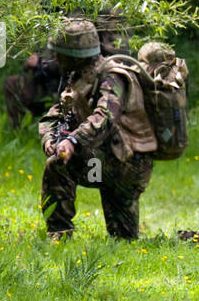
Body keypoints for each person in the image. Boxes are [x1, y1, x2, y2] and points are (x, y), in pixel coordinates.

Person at [37, 18, 157, 240]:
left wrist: (72, 141)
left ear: (74, 55)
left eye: (60, 54)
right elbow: (55, 114)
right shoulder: (79, 76)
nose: (55, 58)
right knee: (123, 240)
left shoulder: (112, 76)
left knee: (124, 239)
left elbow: (105, 116)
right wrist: (49, 139)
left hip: (127, 165)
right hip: (109, 159)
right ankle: (58, 235)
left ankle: (58, 236)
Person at [3, 38, 60, 129]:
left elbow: (64, 65)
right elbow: (28, 66)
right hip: (40, 83)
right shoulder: (47, 37)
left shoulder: (70, 36)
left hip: (58, 86)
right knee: (11, 82)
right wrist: (29, 62)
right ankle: (18, 128)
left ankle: (55, 128)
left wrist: (41, 64)